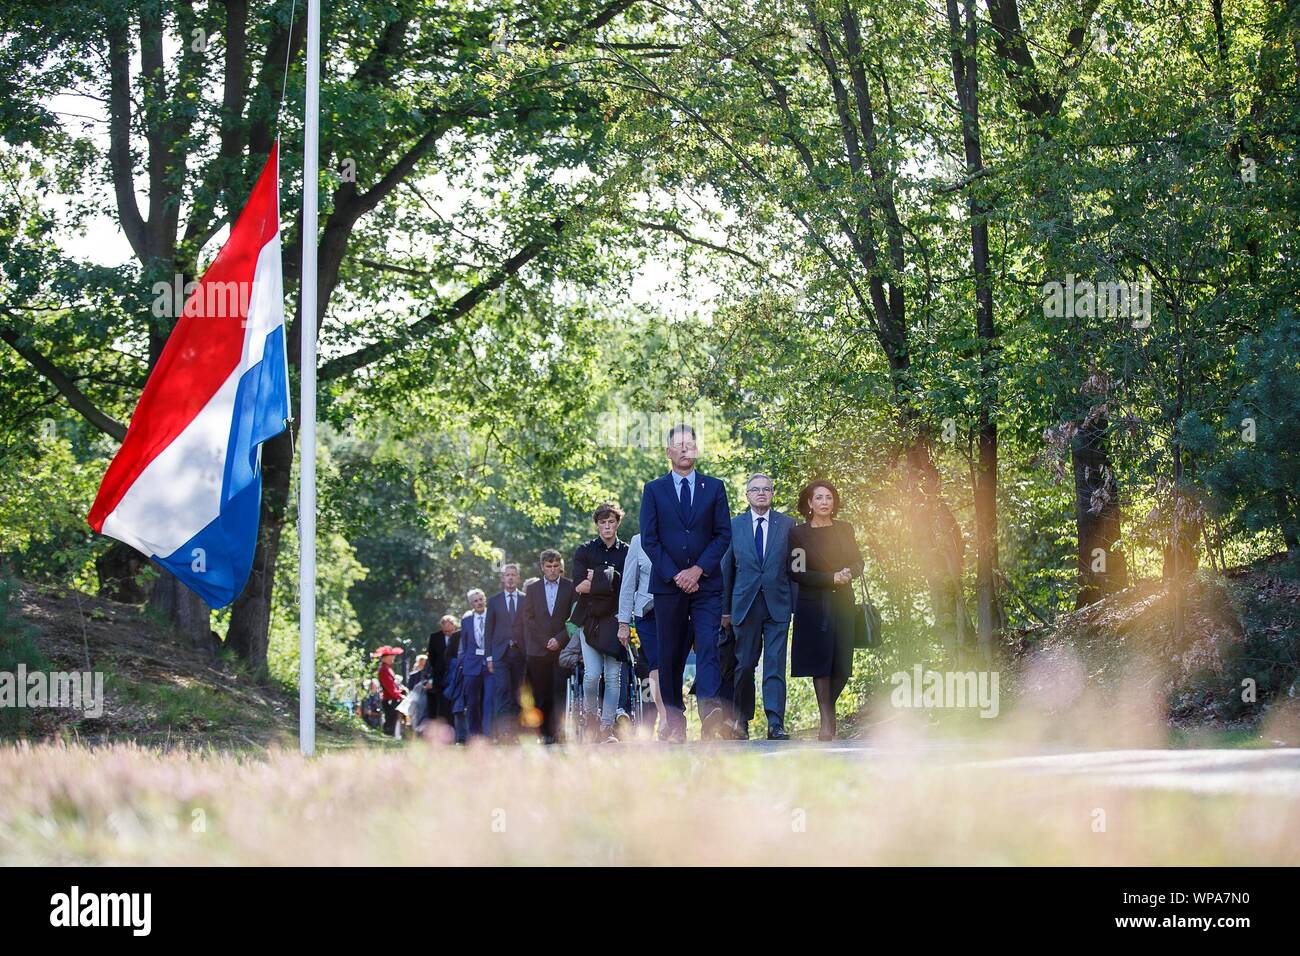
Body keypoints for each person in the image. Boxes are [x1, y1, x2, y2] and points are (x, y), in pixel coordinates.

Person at [638, 423, 732, 741]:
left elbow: (722, 535)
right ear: (668, 452)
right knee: (671, 654)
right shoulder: (654, 490)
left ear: (696, 450)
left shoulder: (714, 488)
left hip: (707, 586)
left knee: (707, 648)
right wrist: (676, 574)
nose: (684, 449)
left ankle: (710, 716)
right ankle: (675, 721)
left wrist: (698, 570)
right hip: (668, 587)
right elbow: (650, 540)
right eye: (678, 445)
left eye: (689, 444)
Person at [787, 479, 864, 741]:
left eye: (829, 497)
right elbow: (796, 571)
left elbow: (858, 561)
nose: (824, 502)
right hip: (814, 606)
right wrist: (830, 578)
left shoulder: (845, 529)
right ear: (809, 503)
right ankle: (826, 721)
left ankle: (828, 708)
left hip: (843, 602)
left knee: (842, 663)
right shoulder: (798, 533)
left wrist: (848, 573)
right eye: (818, 498)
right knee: (821, 663)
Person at [721, 473, 795, 740]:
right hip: (744, 606)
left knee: (775, 665)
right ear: (747, 496)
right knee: (744, 666)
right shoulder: (734, 526)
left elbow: (795, 569)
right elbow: (726, 569)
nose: (761, 493)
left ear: (772, 494)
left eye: (766, 489)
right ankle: (741, 722)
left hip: (778, 606)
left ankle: (775, 723)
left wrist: (795, 604)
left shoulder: (788, 525)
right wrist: (725, 610)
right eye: (755, 490)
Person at [572, 502, 630, 742]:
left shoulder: (627, 551)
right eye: (602, 522)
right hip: (590, 621)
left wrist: (598, 577)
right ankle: (591, 720)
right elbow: (579, 586)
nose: (607, 526)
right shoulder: (585, 551)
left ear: (617, 523)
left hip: (617, 620)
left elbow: (627, 587)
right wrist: (610, 579)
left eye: (611, 522)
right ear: (597, 525)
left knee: (614, 677)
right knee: (592, 675)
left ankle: (607, 728)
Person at [522, 549, 576, 744]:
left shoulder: (570, 587)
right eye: (548, 566)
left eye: (556, 566)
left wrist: (559, 639)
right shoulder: (533, 589)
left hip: (562, 649)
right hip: (539, 650)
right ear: (542, 567)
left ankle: (559, 732)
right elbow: (528, 619)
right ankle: (543, 733)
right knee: (541, 693)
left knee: (560, 691)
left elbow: (574, 618)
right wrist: (545, 640)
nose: (552, 570)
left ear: (560, 566)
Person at [618, 532, 660, 738]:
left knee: (662, 670)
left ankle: (666, 717)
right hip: (644, 618)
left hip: (673, 617)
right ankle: (651, 723)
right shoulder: (638, 542)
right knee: (649, 672)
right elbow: (628, 585)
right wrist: (623, 623)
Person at [485, 564, 527, 741]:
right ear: (502, 578)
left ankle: (516, 732)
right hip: (500, 654)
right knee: (502, 690)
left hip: (520, 653)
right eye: (507, 575)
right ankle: (504, 732)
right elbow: (488, 630)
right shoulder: (494, 601)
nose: (510, 578)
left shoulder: (526, 599)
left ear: (518, 578)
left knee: (518, 692)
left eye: (513, 575)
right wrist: (489, 657)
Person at [460, 589, 490, 738]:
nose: (478, 603)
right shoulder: (466, 621)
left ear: (484, 600)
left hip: (490, 665)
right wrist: (466, 661)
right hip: (472, 667)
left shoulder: (493, 616)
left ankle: (488, 733)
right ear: (471, 604)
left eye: (480, 599)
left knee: (488, 700)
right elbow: (465, 645)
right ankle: (474, 735)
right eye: (475, 601)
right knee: (472, 702)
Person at [427, 614, 461, 730]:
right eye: (445, 628)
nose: (447, 632)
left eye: (450, 629)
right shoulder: (435, 637)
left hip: (455, 673)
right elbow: (431, 656)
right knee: (441, 702)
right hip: (439, 675)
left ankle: (454, 728)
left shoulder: (460, 635)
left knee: (454, 702)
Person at [373, 645, 405, 737]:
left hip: (391, 698)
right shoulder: (384, 669)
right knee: (391, 720)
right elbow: (389, 687)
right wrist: (399, 695)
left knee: (392, 719)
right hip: (390, 699)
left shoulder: (387, 668)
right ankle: (388, 735)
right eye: (391, 657)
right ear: (385, 658)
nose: (393, 659)